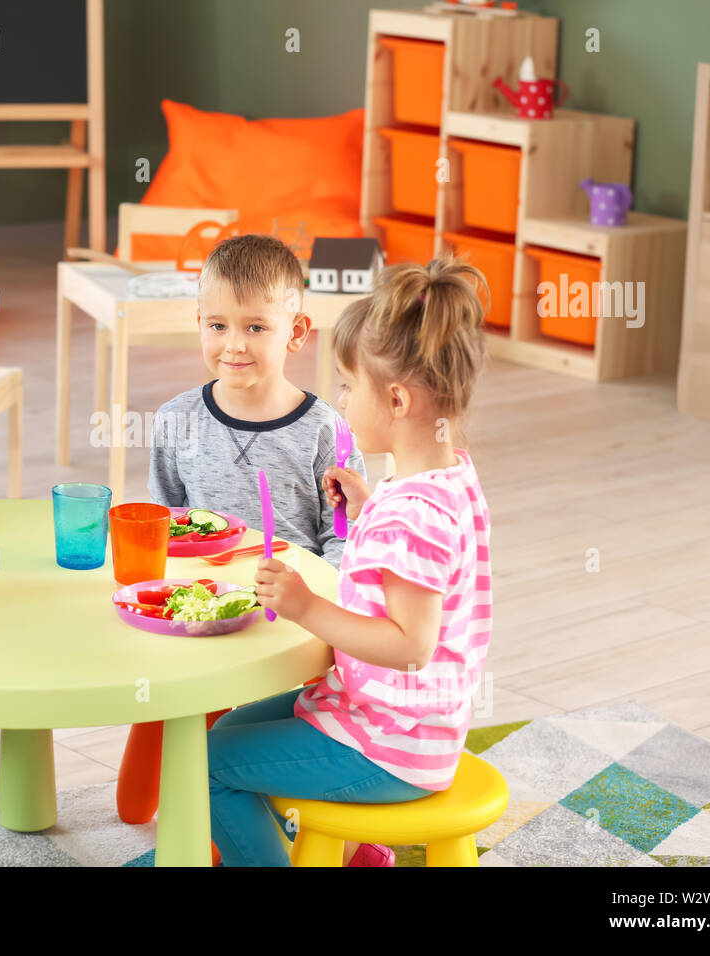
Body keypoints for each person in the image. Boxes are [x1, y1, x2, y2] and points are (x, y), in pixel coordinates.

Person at [210, 257, 494, 867]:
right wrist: (367, 512)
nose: (338, 398)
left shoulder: (410, 514)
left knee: (206, 767)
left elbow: (411, 644)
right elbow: (422, 571)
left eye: (347, 384)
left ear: (395, 399)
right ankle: (359, 854)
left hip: (389, 744)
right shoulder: (446, 477)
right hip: (390, 718)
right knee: (227, 733)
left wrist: (305, 606)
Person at [148, 233, 363, 570]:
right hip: (202, 599)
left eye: (255, 327)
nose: (234, 345)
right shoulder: (175, 420)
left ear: (296, 332)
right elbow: (163, 525)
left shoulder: (326, 430)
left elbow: (346, 534)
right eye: (218, 325)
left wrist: (312, 595)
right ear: (199, 323)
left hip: (296, 606)